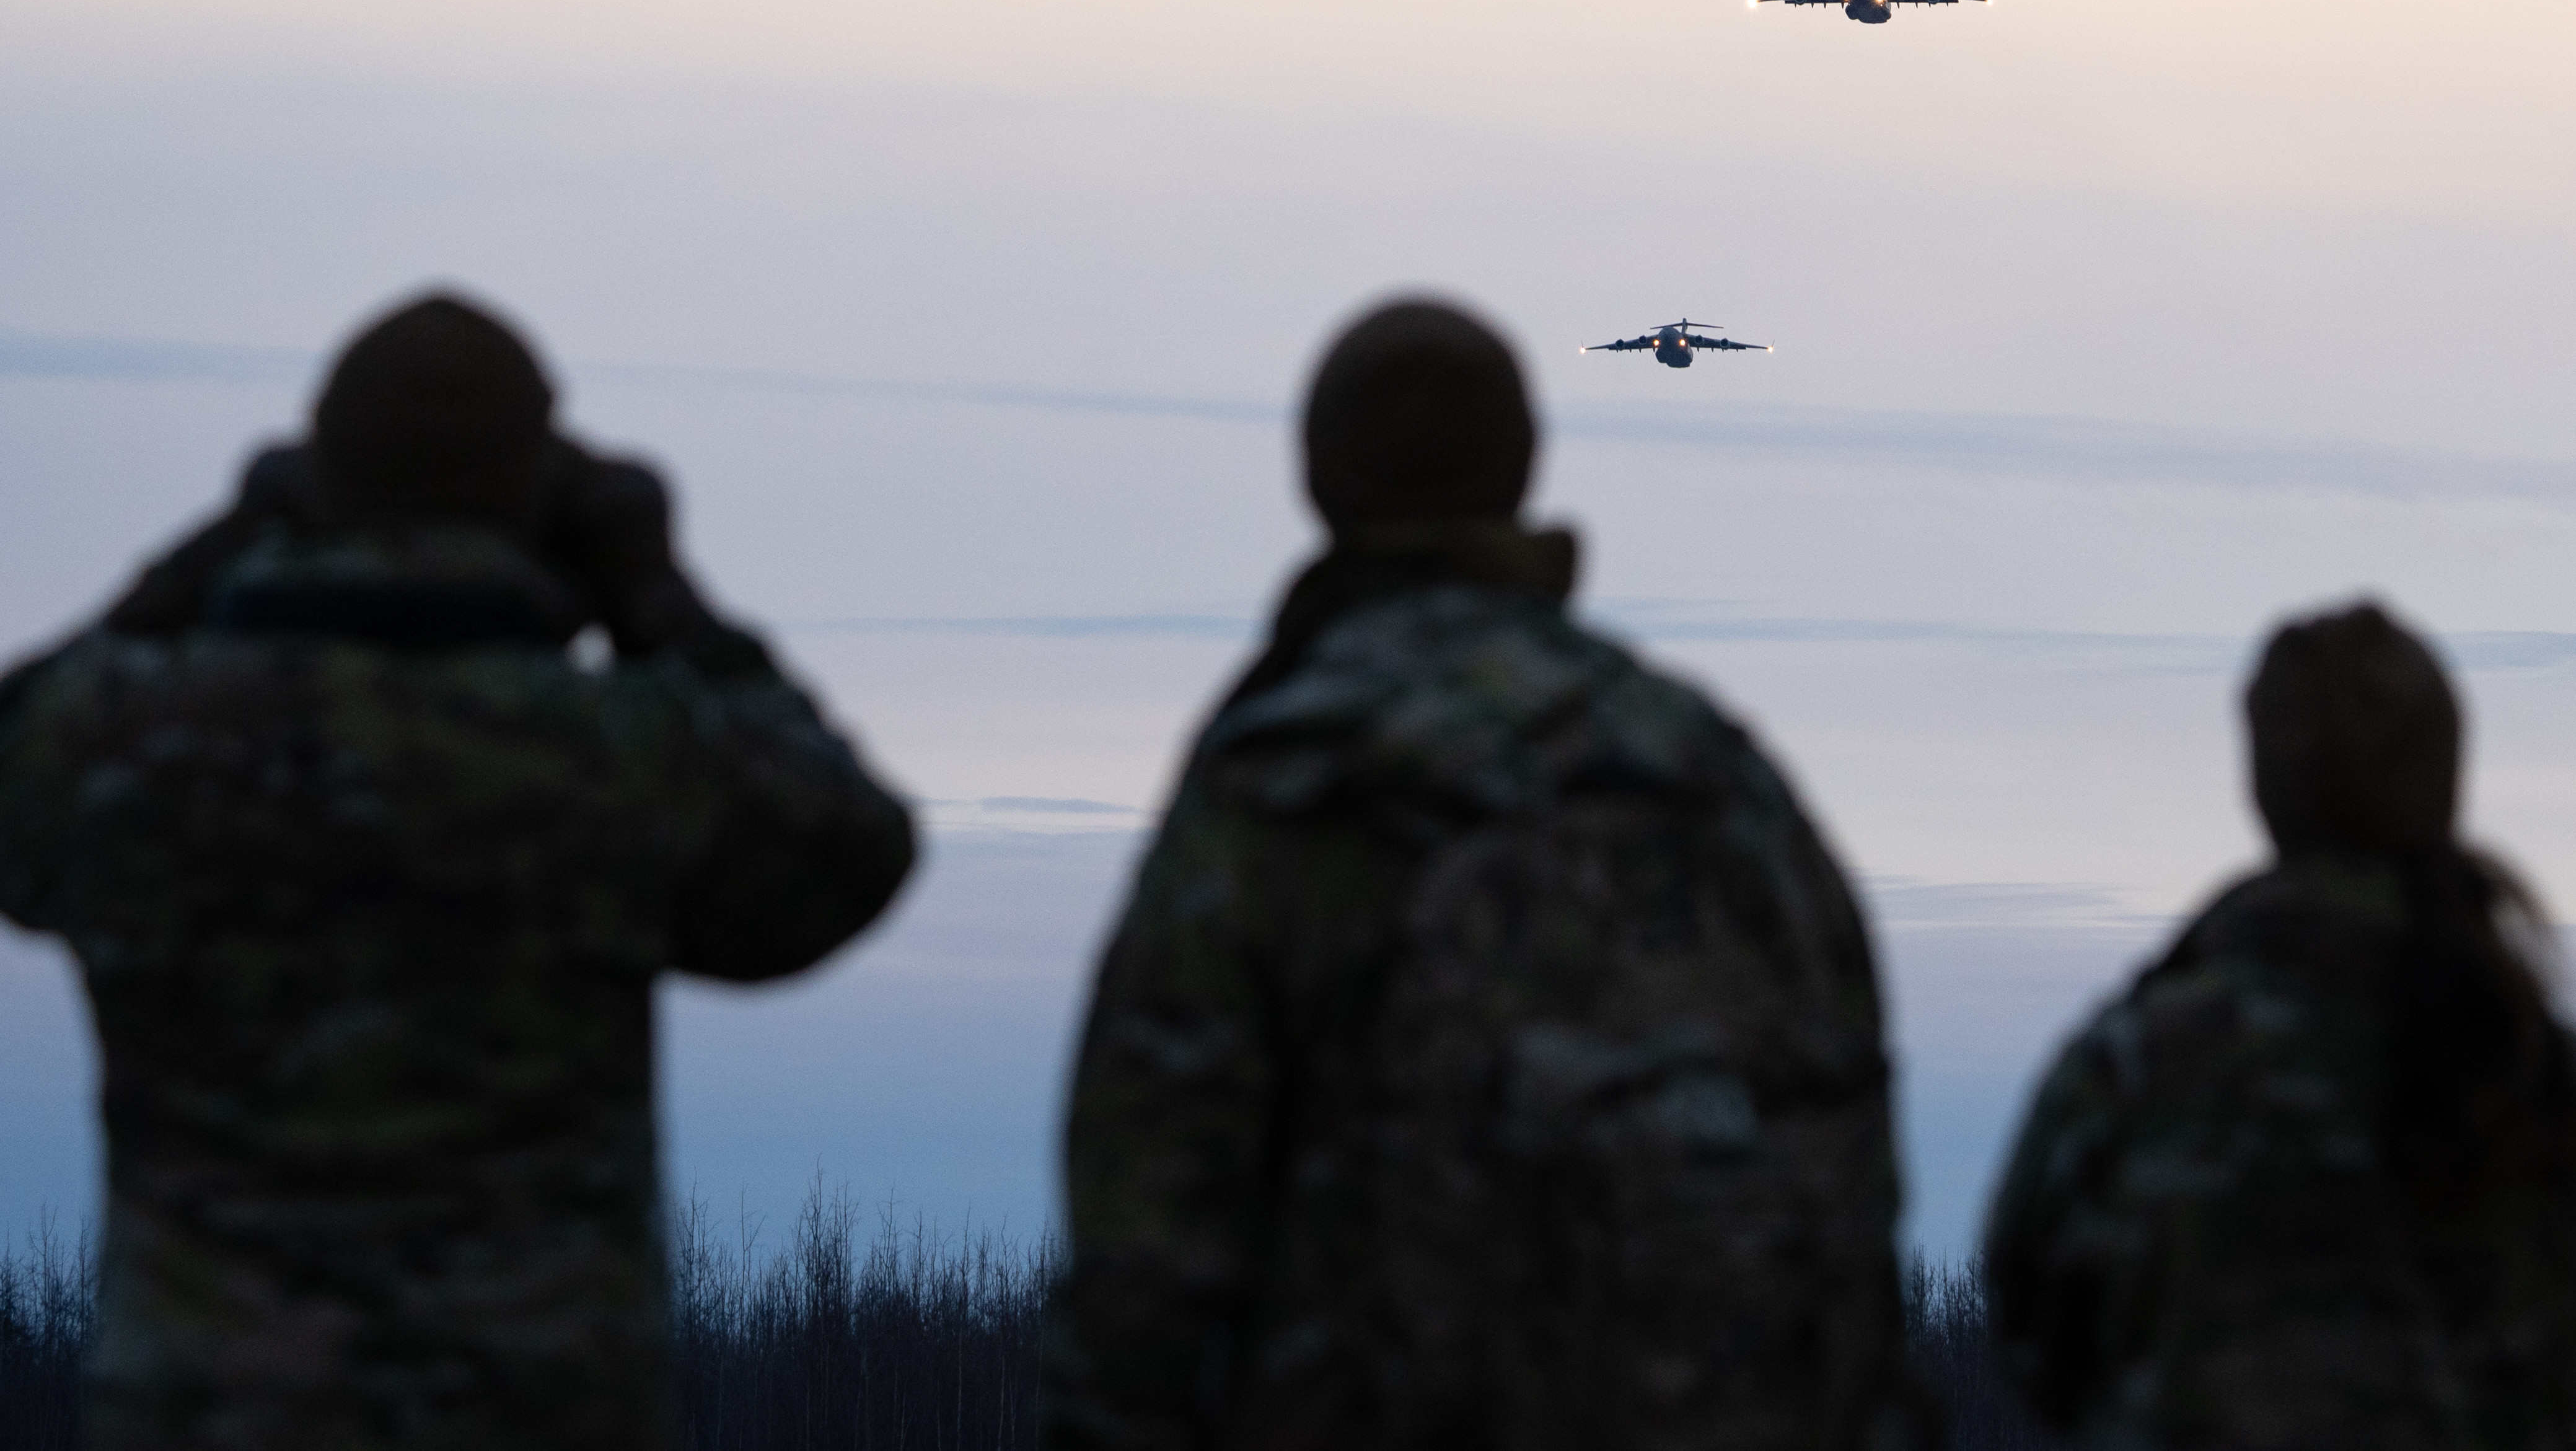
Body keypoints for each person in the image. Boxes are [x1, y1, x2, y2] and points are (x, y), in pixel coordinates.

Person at [0, 292, 917, 1450]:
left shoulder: (136, 748)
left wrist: (213, 556)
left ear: (321, 478)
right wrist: (656, 593)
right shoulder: (614, 756)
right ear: (537, 499)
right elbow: (848, 853)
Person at [1042, 297, 1918, 1451]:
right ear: (1522, 470)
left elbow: (1146, 1227)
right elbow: (1849, 1185)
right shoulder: (1711, 778)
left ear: (1320, 481)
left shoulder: (1286, 782)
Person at [1985, 603, 2576, 1450]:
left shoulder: (2137, 1071)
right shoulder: (2533, 1077)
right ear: (2445, 776)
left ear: (2262, 782)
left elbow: (2032, 1341)